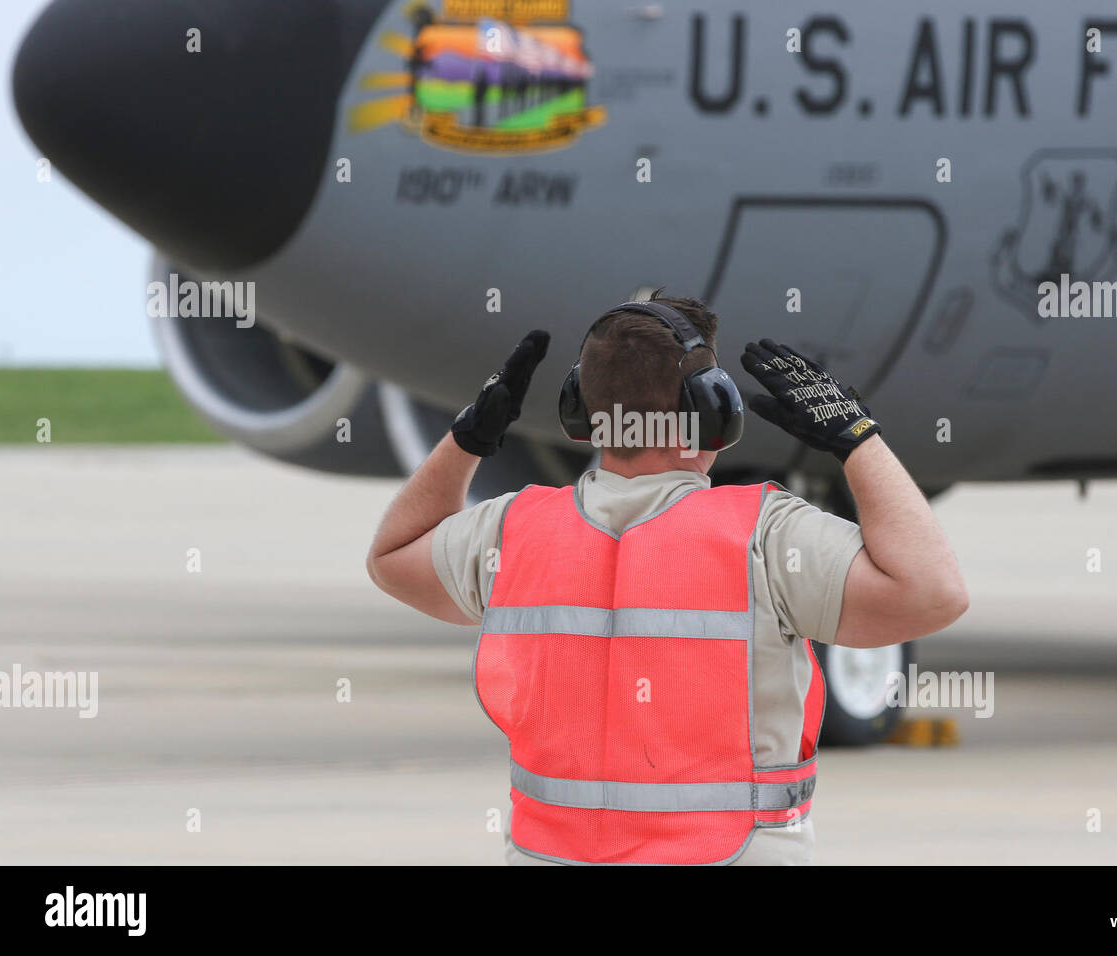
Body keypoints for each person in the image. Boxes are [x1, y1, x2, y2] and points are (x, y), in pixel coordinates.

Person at [367, 293, 968, 865]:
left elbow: (391, 556)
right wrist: (856, 437)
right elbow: (934, 593)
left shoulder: (512, 532)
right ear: (711, 410)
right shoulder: (764, 536)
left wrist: (469, 438)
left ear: (581, 409)